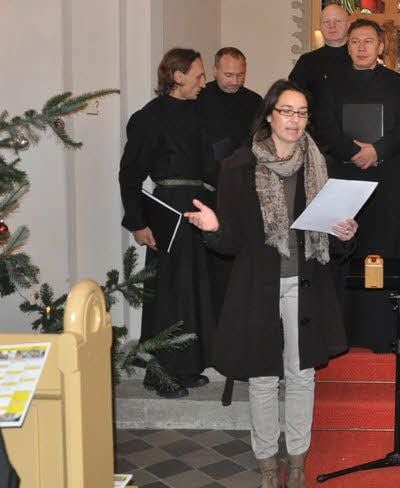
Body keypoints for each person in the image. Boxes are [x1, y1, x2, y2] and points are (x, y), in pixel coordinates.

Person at [184, 79, 358, 488]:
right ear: (269, 114)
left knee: (301, 377)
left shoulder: (320, 164)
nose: (295, 121)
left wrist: (346, 233)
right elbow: (229, 244)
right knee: (262, 378)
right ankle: (266, 467)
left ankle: (297, 464)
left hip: (306, 283)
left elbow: (330, 237)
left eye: (302, 113)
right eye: (287, 111)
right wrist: (212, 227)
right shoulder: (238, 166)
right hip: (257, 288)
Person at [314, 18, 400, 353]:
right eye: (355, 41)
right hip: (345, 176)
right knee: (347, 247)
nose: (361, 47)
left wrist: (378, 151)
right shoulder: (331, 84)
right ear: (348, 46)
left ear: (380, 46)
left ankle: (381, 330)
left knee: (381, 249)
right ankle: (343, 329)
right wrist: (354, 152)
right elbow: (325, 127)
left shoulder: (397, 83)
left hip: (385, 178)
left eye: (368, 41)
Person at [118, 48, 213, 399]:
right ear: (177, 76)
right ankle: (159, 374)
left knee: (192, 290)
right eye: (199, 75)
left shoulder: (197, 113)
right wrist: (138, 223)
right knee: (168, 295)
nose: (204, 82)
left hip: (196, 210)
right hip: (167, 211)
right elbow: (129, 176)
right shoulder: (149, 118)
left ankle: (185, 368)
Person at [196, 47, 263, 320]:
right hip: (208, 191)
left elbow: (260, 144)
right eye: (228, 75)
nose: (235, 81)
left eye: (240, 75)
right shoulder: (200, 99)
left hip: (243, 193)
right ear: (214, 71)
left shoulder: (254, 101)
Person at [289, 3, 351, 98]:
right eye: (326, 21)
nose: (332, 26)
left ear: (348, 25)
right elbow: (293, 97)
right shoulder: (307, 61)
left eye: (338, 21)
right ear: (320, 27)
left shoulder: (360, 58)